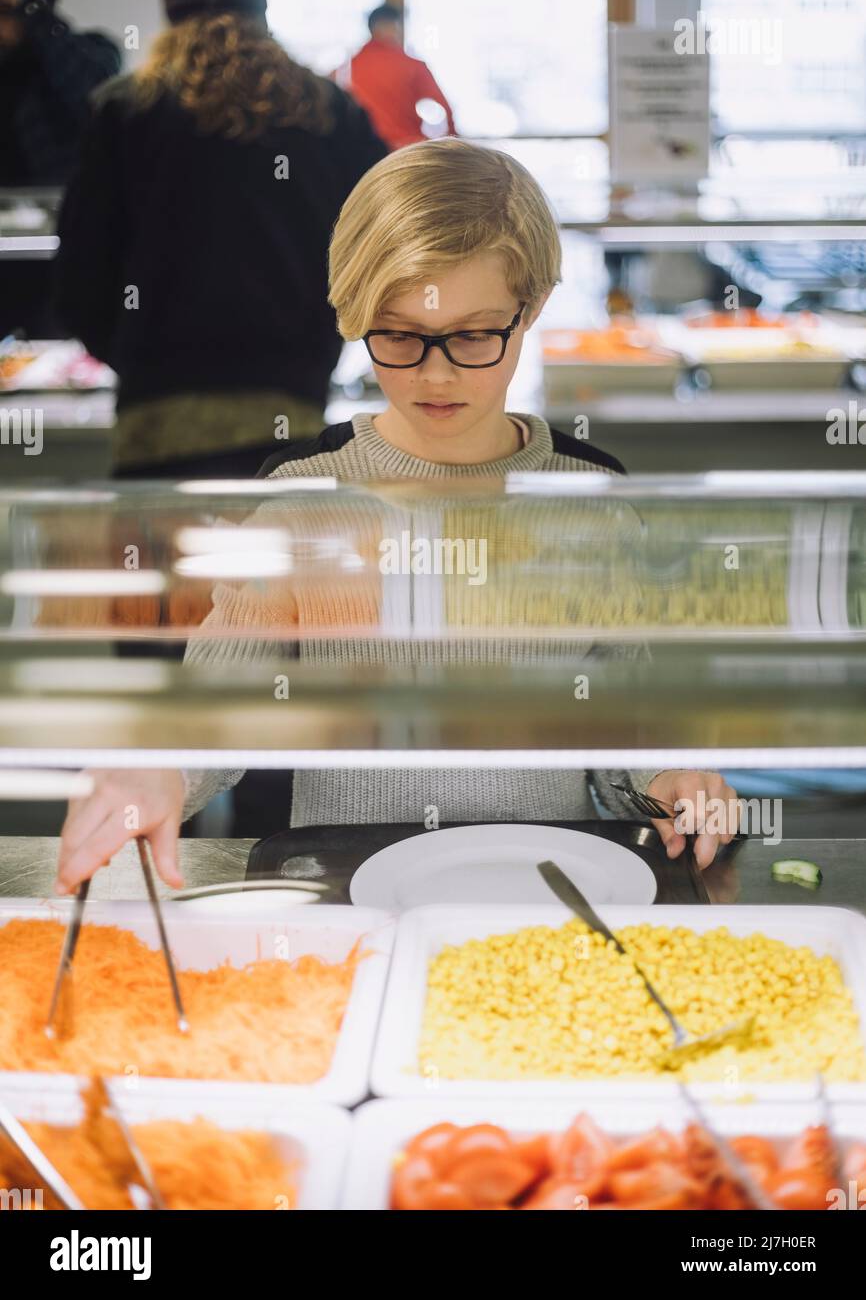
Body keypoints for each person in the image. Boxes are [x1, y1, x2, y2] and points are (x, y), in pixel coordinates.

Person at [55, 139, 738, 894]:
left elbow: (624, 726)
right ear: (353, 312)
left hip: (546, 900)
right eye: (400, 335)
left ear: (533, 306)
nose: (436, 373)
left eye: (474, 335)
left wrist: (673, 776)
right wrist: (158, 771)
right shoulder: (302, 501)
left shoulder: (594, 501)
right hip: (350, 901)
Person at [52, 0, 387, 477]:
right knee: (287, 557)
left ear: (171, 13)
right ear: (261, 9)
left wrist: (137, 355)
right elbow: (381, 240)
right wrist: (322, 342)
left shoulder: (125, 111)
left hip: (156, 415)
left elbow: (78, 275)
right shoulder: (328, 111)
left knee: (164, 557)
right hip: (292, 399)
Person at [0, 0, 119, 186]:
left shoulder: (95, 50)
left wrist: (29, 1)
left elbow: (94, 96)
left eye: (4, 6)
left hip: (61, 217)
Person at [335, 2, 456, 152]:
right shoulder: (412, 65)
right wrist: (452, 143)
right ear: (394, 27)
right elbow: (445, 108)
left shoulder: (348, 66)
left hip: (362, 151)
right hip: (406, 150)